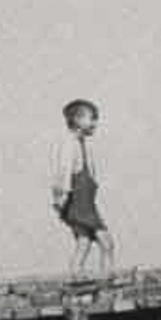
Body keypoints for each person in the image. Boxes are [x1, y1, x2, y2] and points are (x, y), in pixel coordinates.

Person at [50, 99, 114, 279]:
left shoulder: (81, 143)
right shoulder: (70, 144)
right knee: (107, 243)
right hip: (79, 204)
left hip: (85, 202)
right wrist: (61, 198)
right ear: (77, 120)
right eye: (91, 119)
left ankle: (76, 275)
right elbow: (64, 172)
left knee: (83, 241)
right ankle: (106, 278)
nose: (95, 123)